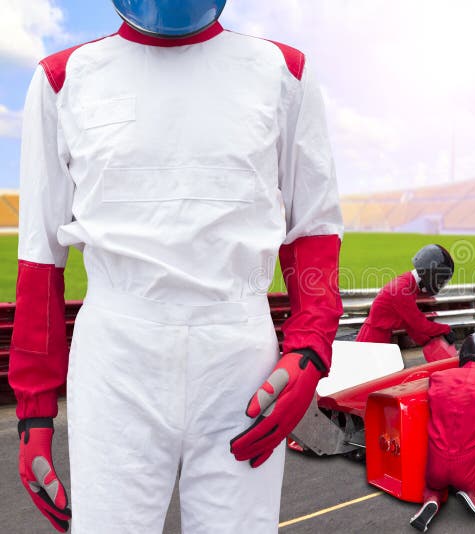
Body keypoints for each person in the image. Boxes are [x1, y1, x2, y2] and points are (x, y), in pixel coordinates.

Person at [10, 1, 342, 532]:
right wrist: (34, 410)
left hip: (241, 364)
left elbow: (315, 229)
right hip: (117, 359)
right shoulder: (61, 79)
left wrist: (309, 349)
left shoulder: (284, 73)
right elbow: (40, 256)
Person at [410, 332, 475, 532]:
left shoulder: (437, 378)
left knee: (434, 483)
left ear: (464, 354)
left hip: (436, 467)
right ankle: (474, 492)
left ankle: (430, 500)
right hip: (467, 471)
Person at [356, 244, 455, 355]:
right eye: (439, 279)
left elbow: (410, 324)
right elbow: (419, 324)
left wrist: (428, 341)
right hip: (373, 341)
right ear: (430, 273)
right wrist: (445, 329)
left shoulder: (408, 283)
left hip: (378, 338)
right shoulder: (402, 289)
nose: (439, 284)